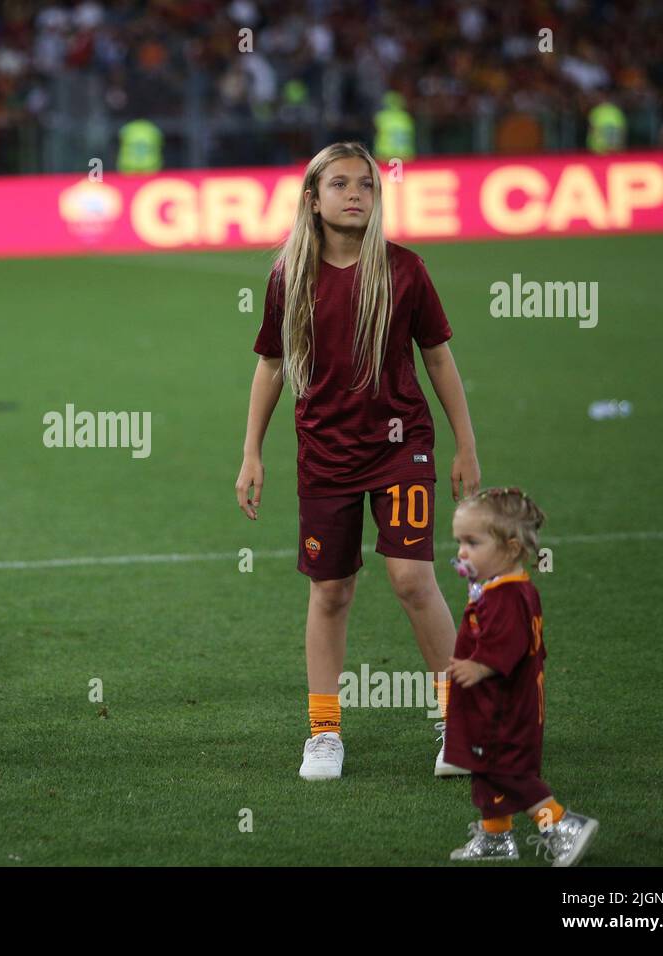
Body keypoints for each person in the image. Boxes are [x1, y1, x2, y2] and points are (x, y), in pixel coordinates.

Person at [235, 141, 480, 781]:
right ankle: (323, 732)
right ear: (312, 200)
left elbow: (438, 358)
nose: (355, 195)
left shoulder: (405, 270)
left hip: (402, 448)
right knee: (332, 591)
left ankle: (461, 722)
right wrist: (252, 452)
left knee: (411, 579)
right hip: (325, 456)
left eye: (366, 186)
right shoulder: (289, 275)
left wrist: (466, 444)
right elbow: (271, 365)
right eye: (339, 184)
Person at [446, 487, 598, 865]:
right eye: (459, 542)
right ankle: (496, 837)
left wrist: (478, 666)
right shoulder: (497, 586)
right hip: (491, 704)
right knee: (485, 770)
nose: (461, 552)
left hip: (505, 707)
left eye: (472, 542)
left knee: (510, 774)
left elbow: (508, 644)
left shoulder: (508, 596)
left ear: (511, 549)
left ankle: (560, 825)